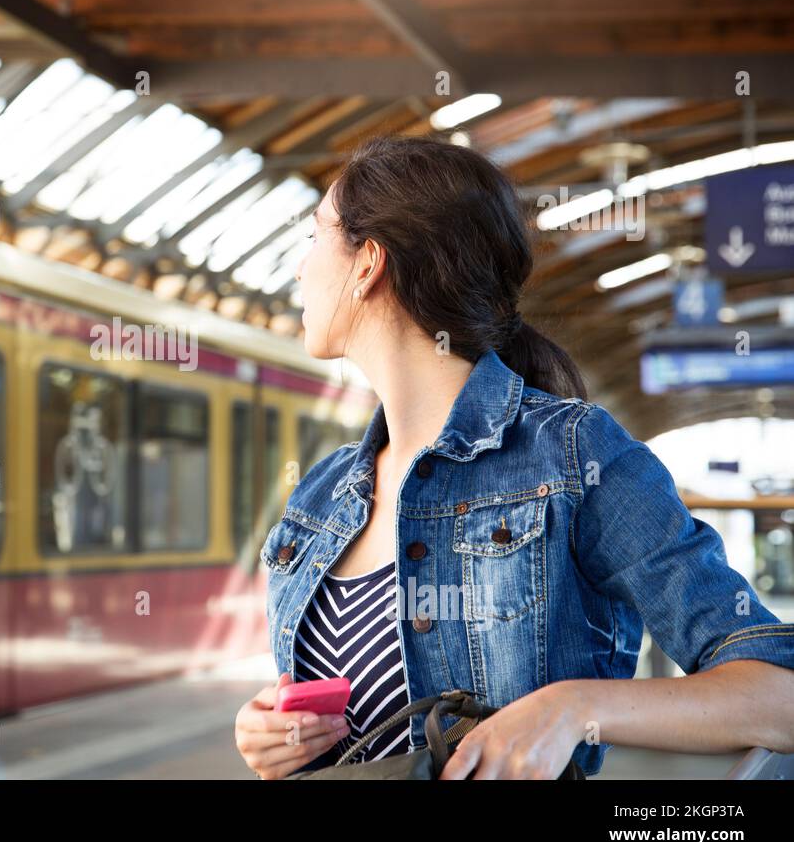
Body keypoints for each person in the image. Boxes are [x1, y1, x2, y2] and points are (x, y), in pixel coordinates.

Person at [234, 136, 794, 780]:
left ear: (368, 262)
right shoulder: (320, 498)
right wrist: (270, 733)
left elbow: (776, 694)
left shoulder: (574, 457)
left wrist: (575, 707)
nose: (299, 269)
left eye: (312, 238)